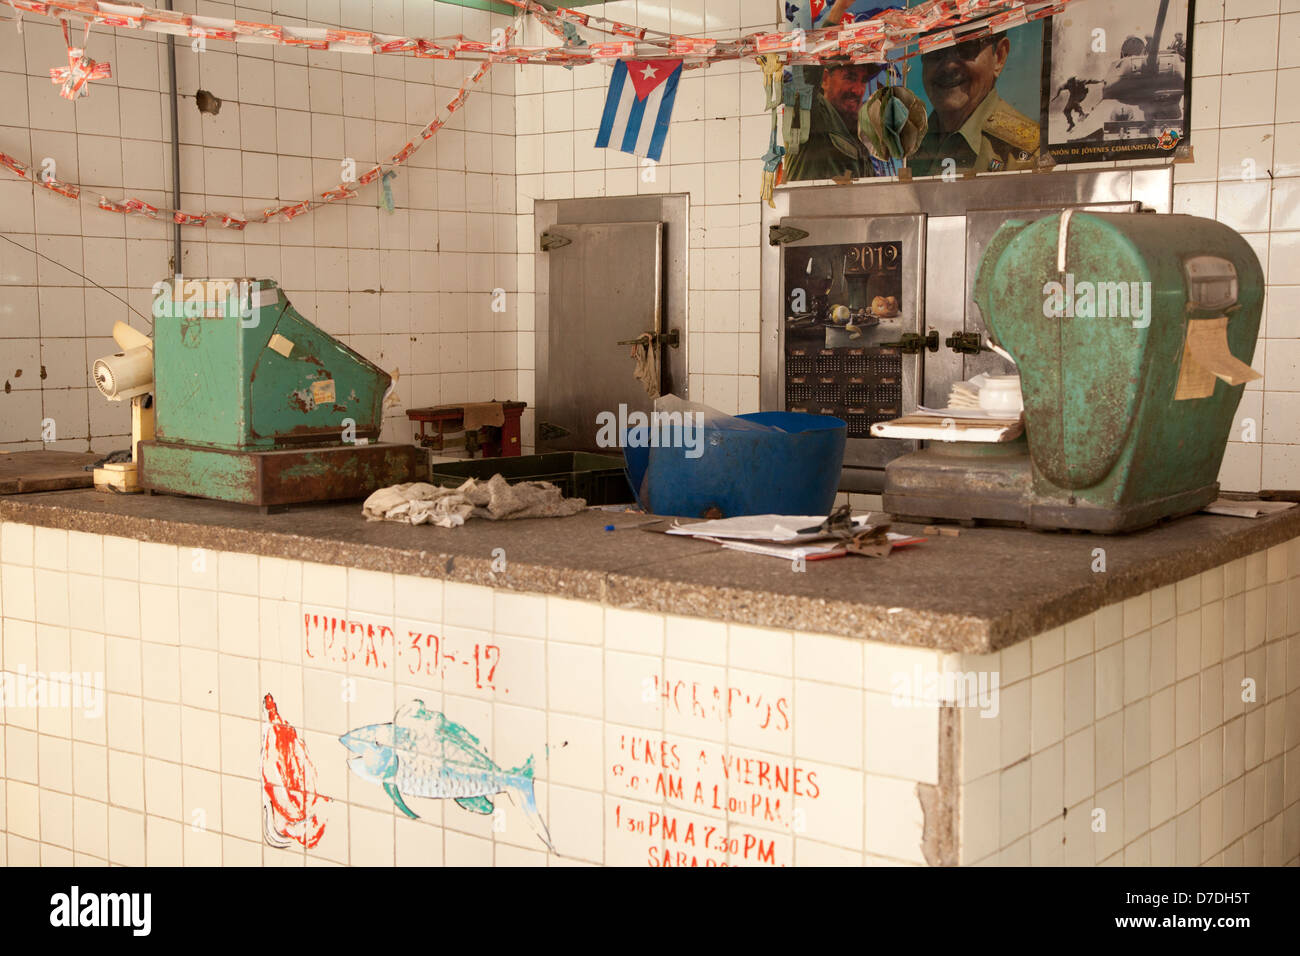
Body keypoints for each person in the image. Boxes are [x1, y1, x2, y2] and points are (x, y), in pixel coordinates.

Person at [908, 34, 1040, 176]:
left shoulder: (1031, 155)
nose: (948, 66)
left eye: (967, 45)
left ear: (999, 56)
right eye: (935, 48)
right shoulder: (905, 147)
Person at [783, 62, 884, 181]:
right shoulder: (811, 113)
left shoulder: (858, 137)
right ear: (824, 79)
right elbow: (807, 76)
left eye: (863, 80)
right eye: (850, 78)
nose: (858, 90)